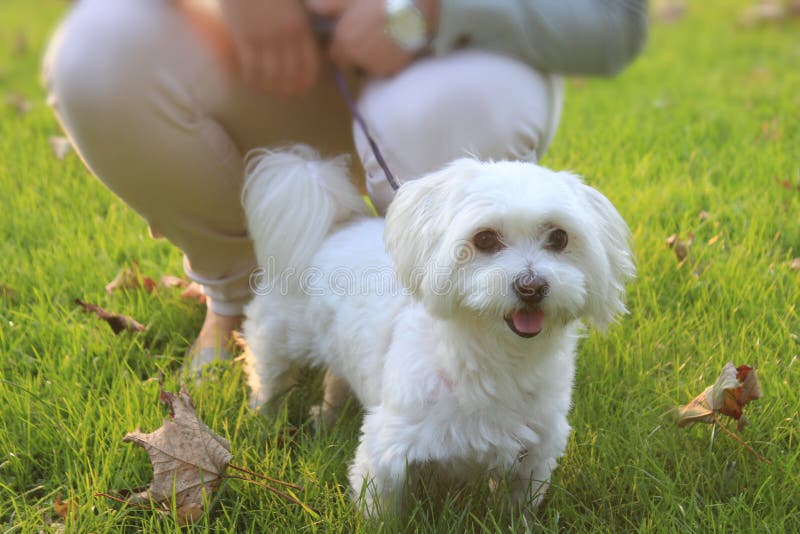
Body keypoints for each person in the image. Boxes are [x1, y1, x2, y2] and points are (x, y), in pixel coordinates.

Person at [42, 0, 648, 372]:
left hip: (451, 60)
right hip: (260, 63)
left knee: (448, 109)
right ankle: (246, 294)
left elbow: (613, 21)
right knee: (100, 48)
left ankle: (431, 319)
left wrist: (431, 9)